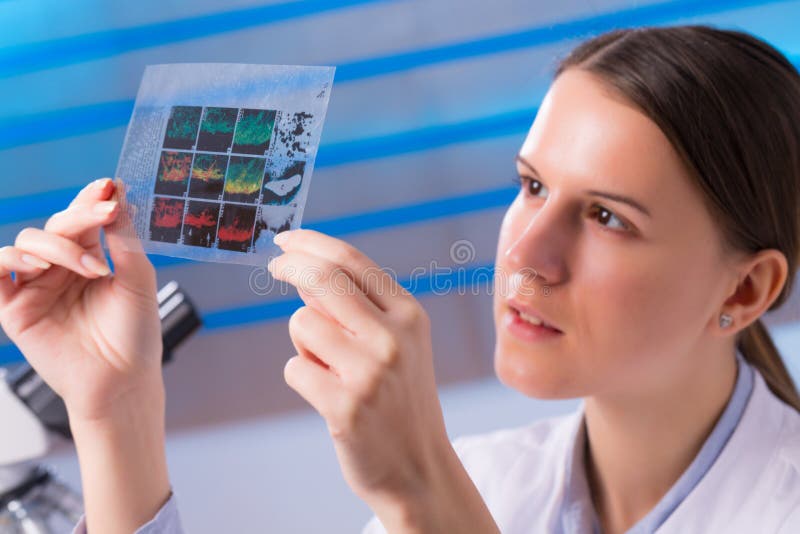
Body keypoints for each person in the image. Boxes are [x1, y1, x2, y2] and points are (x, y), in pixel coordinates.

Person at [2, 23, 800, 533]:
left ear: (744, 291)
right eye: (530, 186)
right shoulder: (490, 477)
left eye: (608, 218)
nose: (525, 254)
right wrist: (117, 413)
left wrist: (423, 492)